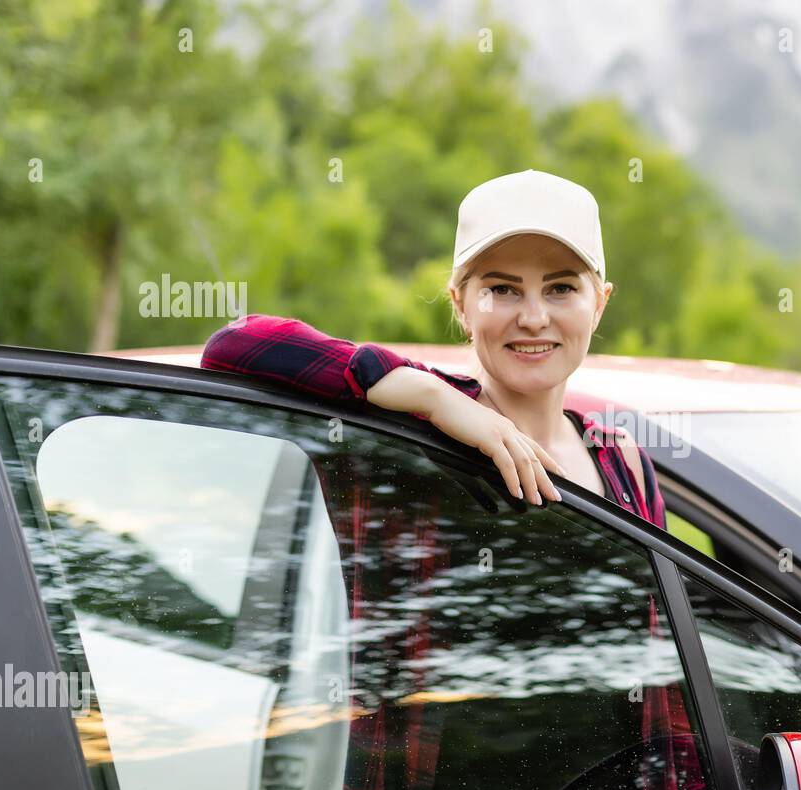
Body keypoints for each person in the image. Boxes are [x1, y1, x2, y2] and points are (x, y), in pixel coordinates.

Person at [201, 168, 665, 530]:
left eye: (560, 288)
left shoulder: (622, 460)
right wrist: (435, 399)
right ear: (461, 304)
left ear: (599, 304)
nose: (533, 318)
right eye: (502, 290)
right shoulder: (403, 423)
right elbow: (233, 345)